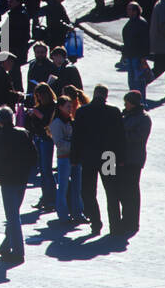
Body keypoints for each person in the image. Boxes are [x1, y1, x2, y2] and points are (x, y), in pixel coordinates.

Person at [73, 83, 125, 237]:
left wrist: (74, 157)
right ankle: (115, 225)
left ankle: (95, 222)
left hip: (88, 157)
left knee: (88, 191)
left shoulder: (82, 111)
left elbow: (77, 137)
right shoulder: (114, 112)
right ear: (106, 96)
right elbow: (120, 137)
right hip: (108, 156)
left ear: (94, 94)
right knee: (111, 191)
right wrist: (121, 157)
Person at [0, 105, 36, 263]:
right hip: (22, 178)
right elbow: (33, 155)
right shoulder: (23, 133)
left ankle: (18, 251)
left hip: (8, 180)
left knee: (12, 216)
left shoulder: (1, 136)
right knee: (14, 212)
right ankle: (6, 245)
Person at [118, 90, 151, 237]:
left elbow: (138, 137)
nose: (125, 104)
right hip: (124, 158)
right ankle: (126, 219)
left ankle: (132, 221)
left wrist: (121, 133)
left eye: (127, 102)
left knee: (131, 190)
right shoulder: (125, 114)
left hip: (134, 158)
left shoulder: (143, 118)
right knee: (124, 190)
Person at [50, 94, 84, 224]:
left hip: (75, 157)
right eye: (68, 106)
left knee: (77, 187)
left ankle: (78, 213)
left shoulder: (70, 120)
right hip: (64, 158)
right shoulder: (57, 123)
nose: (70, 109)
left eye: (71, 106)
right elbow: (59, 143)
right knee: (63, 187)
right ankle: (63, 215)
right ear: (60, 107)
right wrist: (75, 146)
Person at [25, 82, 58, 212]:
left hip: (46, 140)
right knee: (43, 170)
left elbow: (50, 123)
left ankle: (51, 198)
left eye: (40, 95)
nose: (39, 98)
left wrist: (39, 115)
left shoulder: (53, 107)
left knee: (46, 171)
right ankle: (46, 197)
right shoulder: (38, 106)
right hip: (38, 139)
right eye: (37, 96)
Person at [120, 2, 150, 107]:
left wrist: (143, 57)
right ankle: (133, 103)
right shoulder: (130, 23)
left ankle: (141, 102)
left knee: (139, 82)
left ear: (135, 11)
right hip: (130, 56)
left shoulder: (141, 23)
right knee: (132, 82)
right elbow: (126, 41)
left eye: (129, 9)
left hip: (138, 57)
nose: (127, 11)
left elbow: (145, 42)